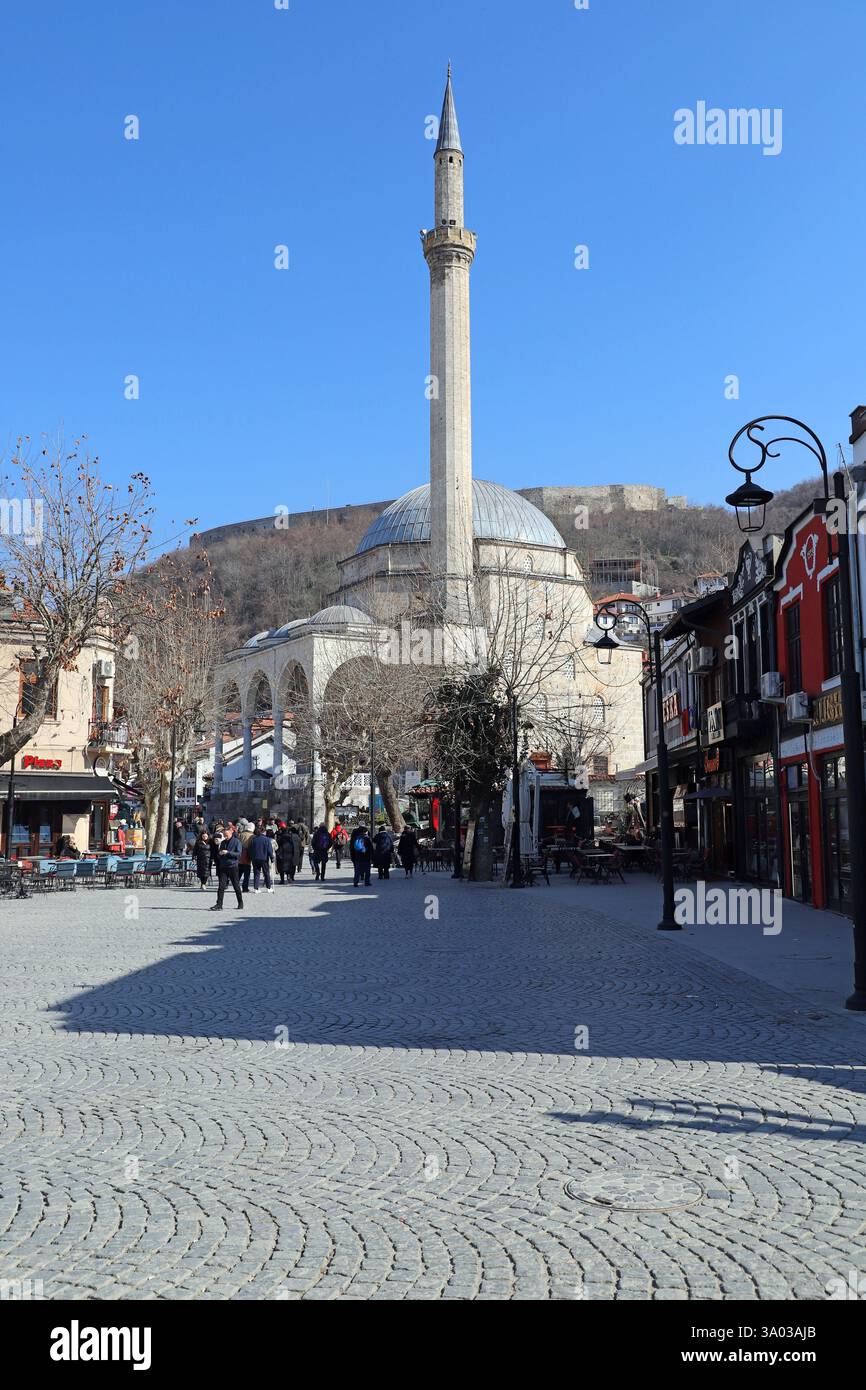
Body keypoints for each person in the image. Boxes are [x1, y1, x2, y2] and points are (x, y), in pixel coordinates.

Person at [211, 821, 244, 910]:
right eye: (224, 834)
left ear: (231, 832)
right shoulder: (223, 842)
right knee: (221, 887)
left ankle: (240, 903)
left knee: (236, 886)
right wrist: (220, 854)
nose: (225, 836)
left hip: (233, 866)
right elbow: (219, 853)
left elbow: (238, 854)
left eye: (226, 834)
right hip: (223, 866)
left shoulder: (237, 842)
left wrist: (228, 852)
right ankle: (219, 904)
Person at [249, 826, 275, 893]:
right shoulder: (266, 839)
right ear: (263, 832)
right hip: (264, 858)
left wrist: (251, 857)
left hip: (255, 858)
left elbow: (250, 849)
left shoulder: (253, 839)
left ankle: (256, 888)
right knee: (266, 873)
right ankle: (268, 887)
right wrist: (272, 857)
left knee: (256, 873)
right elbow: (269, 850)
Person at [238, 820, 254, 893]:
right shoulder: (253, 836)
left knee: (239, 872)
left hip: (240, 854)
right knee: (246, 874)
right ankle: (245, 888)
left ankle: (236, 885)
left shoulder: (241, 834)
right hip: (248, 854)